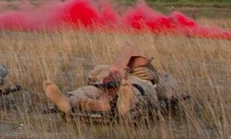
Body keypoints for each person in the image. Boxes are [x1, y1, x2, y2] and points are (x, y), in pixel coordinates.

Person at [43, 45, 182, 119]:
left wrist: (154, 77)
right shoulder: (117, 68)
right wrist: (102, 74)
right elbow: (94, 75)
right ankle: (65, 102)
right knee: (87, 90)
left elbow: (170, 91)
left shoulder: (158, 76)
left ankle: (125, 103)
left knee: (135, 92)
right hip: (108, 87)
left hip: (137, 87)